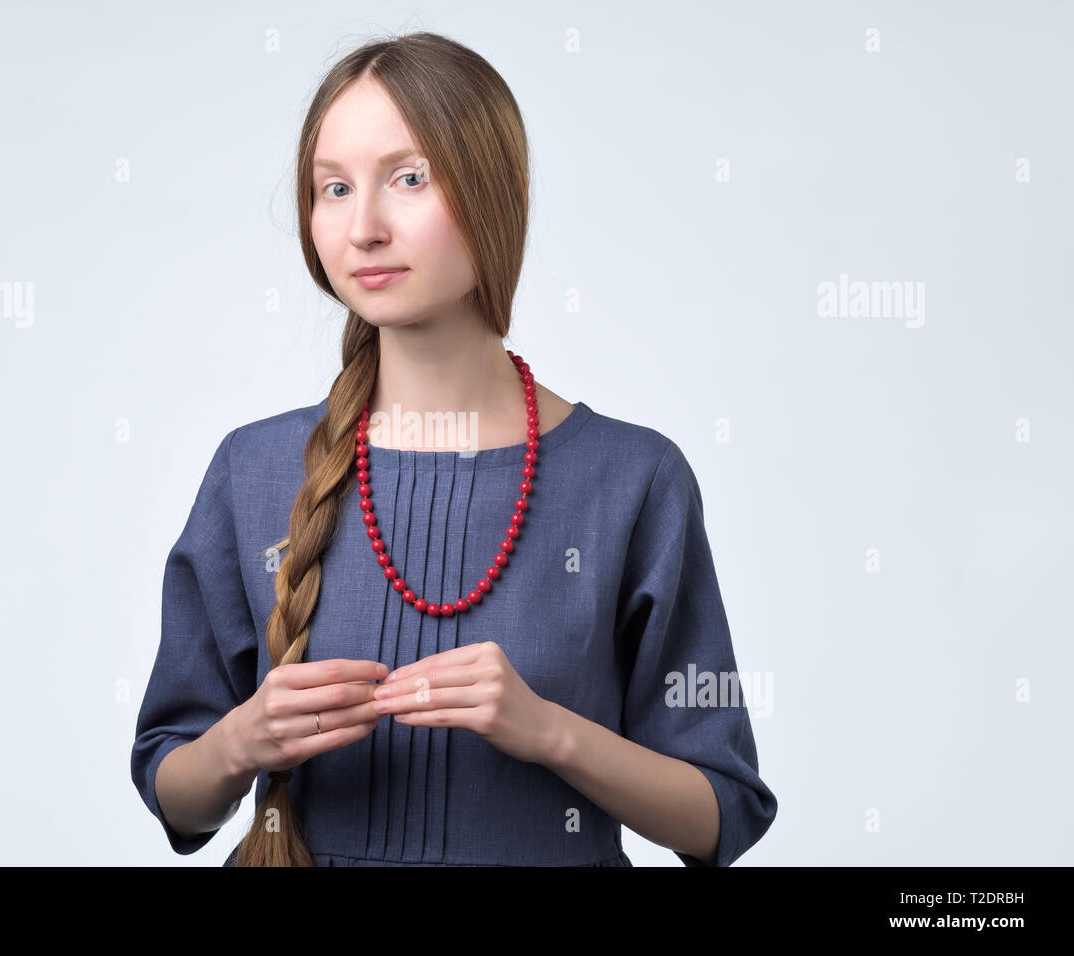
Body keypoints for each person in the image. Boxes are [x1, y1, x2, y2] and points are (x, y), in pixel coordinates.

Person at [131, 31, 777, 867]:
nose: (363, 227)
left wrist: (549, 731)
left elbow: (724, 811)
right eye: (333, 188)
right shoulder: (250, 471)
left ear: (500, 194)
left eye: (409, 178)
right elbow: (171, 790)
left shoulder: (635, 479)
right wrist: (242, 741)